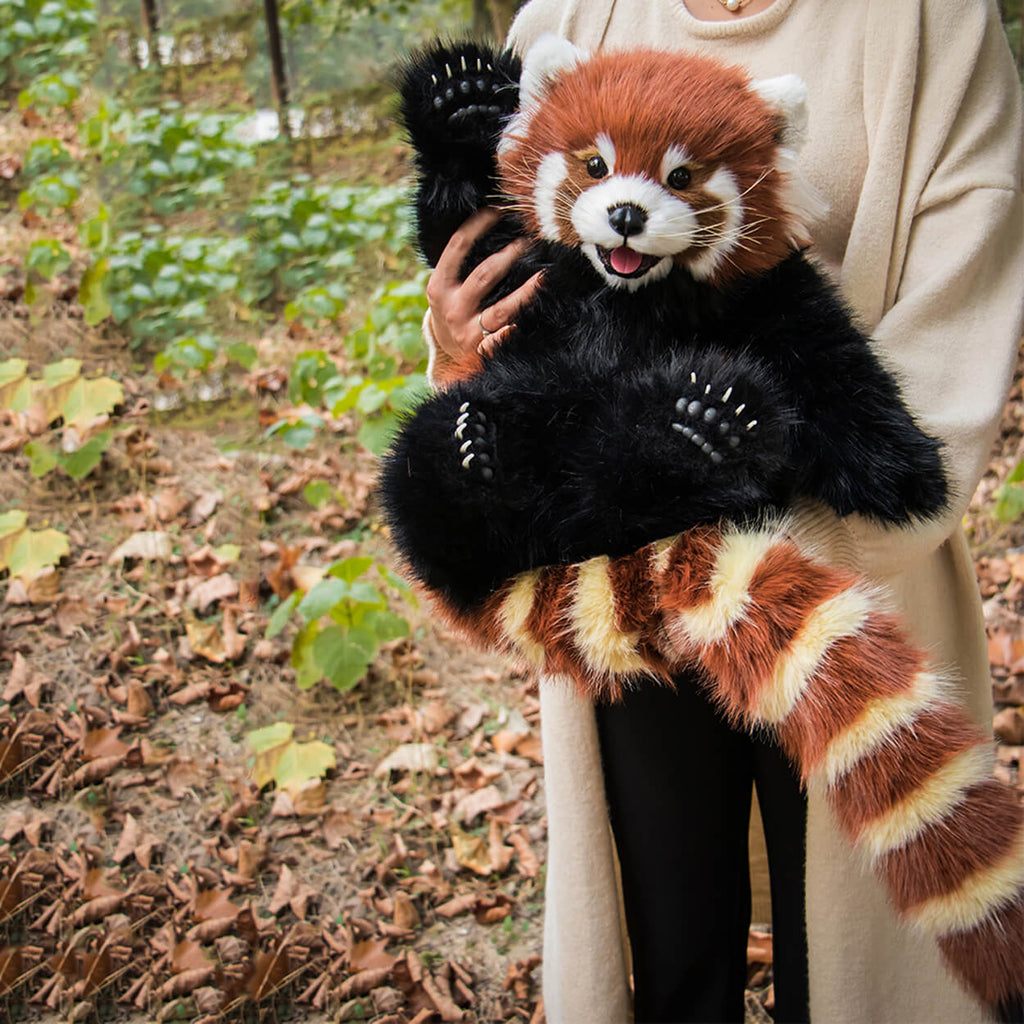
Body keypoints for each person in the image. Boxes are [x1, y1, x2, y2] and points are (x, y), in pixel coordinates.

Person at [420, 1, 1024, 1020]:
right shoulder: (570, 17)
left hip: (837, 568)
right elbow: (499, 271)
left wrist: (753, 463)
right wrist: (456, 351)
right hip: (614, 569)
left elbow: (952, 323)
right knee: (666, 927)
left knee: (842, 944)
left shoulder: (928, 21)